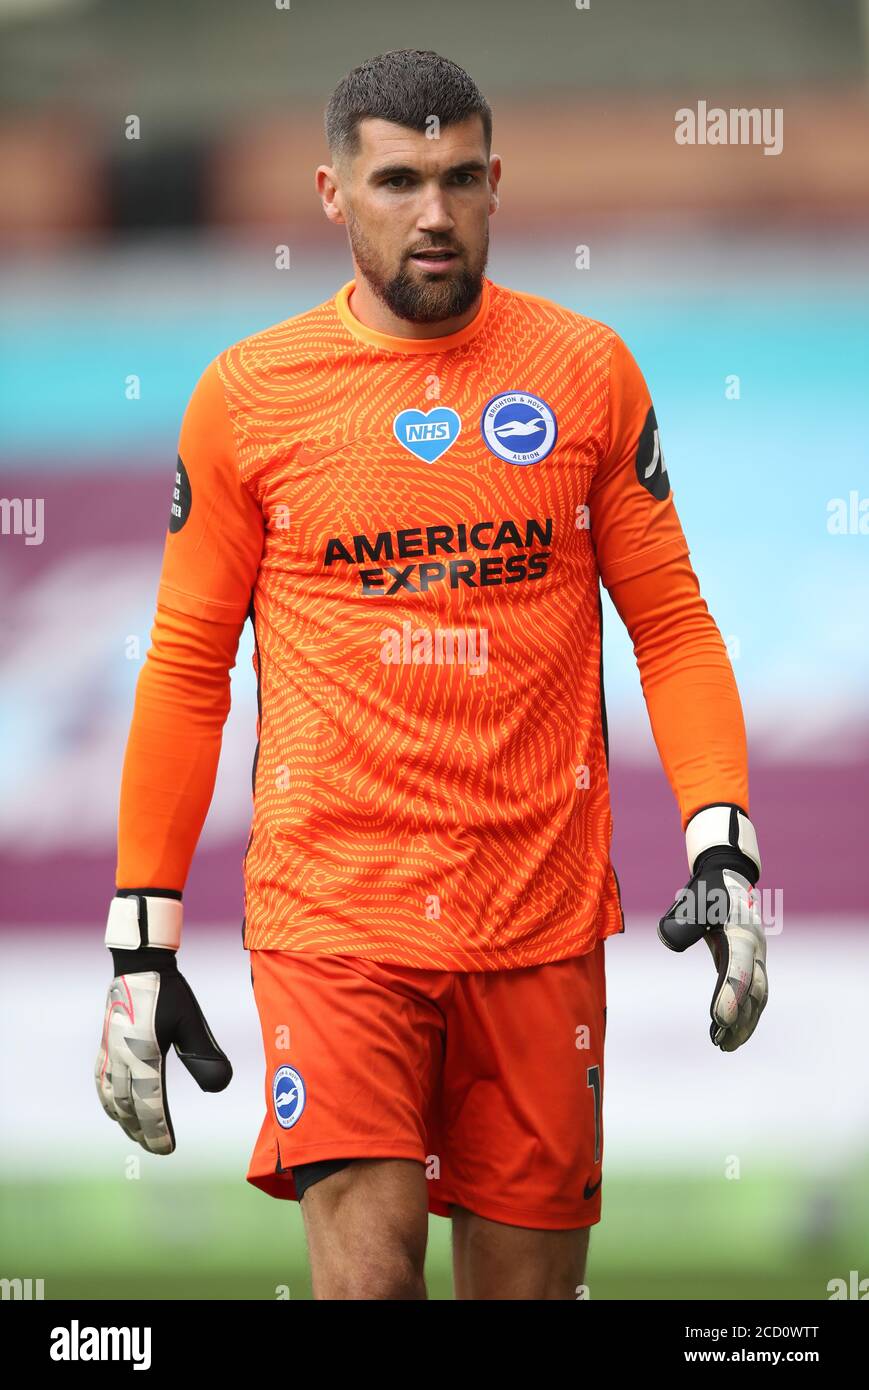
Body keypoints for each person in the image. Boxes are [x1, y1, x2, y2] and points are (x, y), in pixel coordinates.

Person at [95, 49, 768, 1301]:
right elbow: (187, 670)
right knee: (369, 1282)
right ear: (331, 192)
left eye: (460, 178)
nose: (435, 214)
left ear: (497, 183)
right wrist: (143, 941)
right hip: (334, 916)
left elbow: (670, 623)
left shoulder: (587, 372)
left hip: (541, 921)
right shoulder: (247, 398)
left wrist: (720, 842)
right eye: (399, 180)